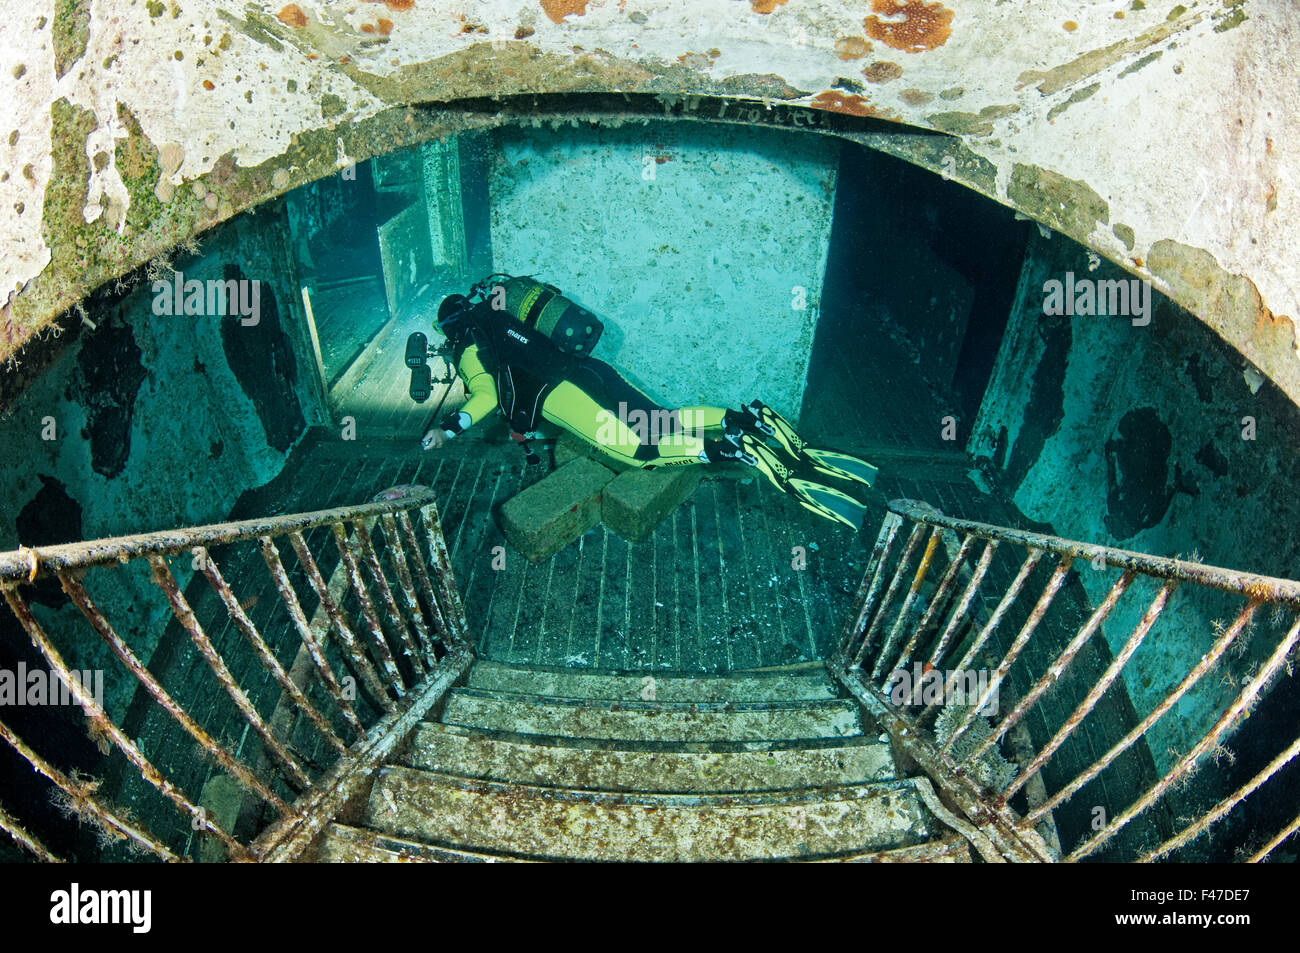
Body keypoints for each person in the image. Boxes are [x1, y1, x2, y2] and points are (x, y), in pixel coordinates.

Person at [419, 275, 878, 530]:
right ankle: (746, 419)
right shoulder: (503, 316)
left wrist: (449, 428)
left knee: (640, 455)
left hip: (567, 397)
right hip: (592, 372)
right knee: (664, 422)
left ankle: (732, 450)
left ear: (449, 329)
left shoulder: (471, 346)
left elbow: (484, 397)